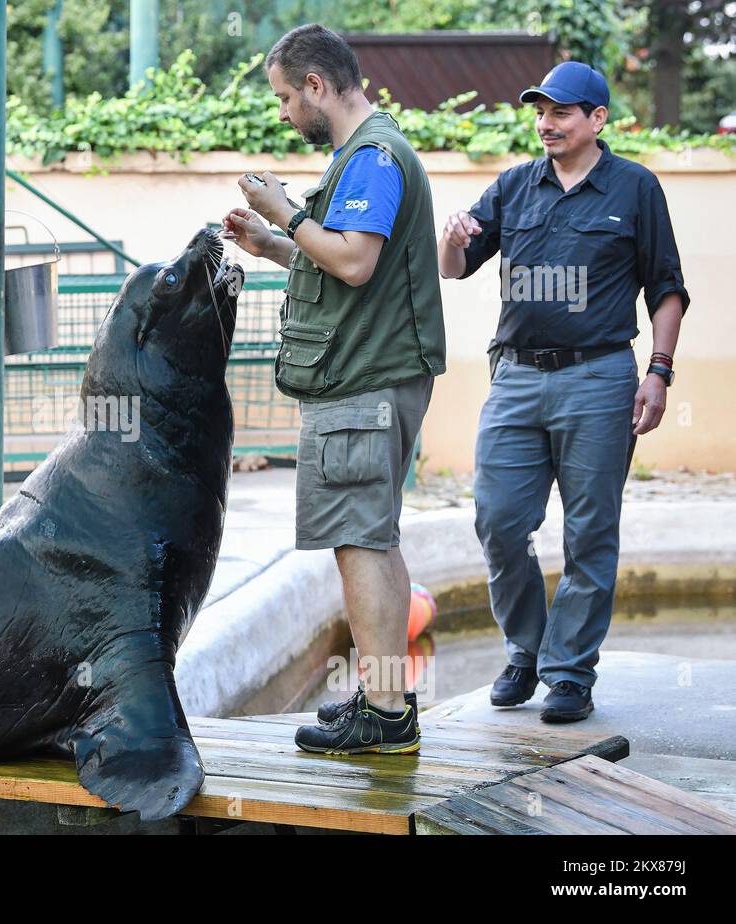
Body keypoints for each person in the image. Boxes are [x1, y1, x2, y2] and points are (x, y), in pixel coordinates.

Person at [437, 62, 688, 722]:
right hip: (517, 378)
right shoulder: (516, 186)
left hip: (599, 378)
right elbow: (456, 269)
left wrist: (659, 371)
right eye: (540, 113)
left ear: (597, 119)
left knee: (591, 532)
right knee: (499, 520)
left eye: (561, 112)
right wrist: (451, 240)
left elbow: (666, 287)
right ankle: (526, 648)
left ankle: (570, 672)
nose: (546, 124)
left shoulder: (635, 188)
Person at [222, 24, 446, 755]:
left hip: (365, 383)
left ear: (317, 86)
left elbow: (352, 262)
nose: (284, 111)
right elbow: (340, 263)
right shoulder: (362, 156)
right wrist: (274, 244)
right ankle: (385, 701)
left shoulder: (374, 158)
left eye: (287, 96)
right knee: (368, 538)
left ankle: (384, 712)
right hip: (365, 378)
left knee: (358, 541)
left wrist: (287, 208)